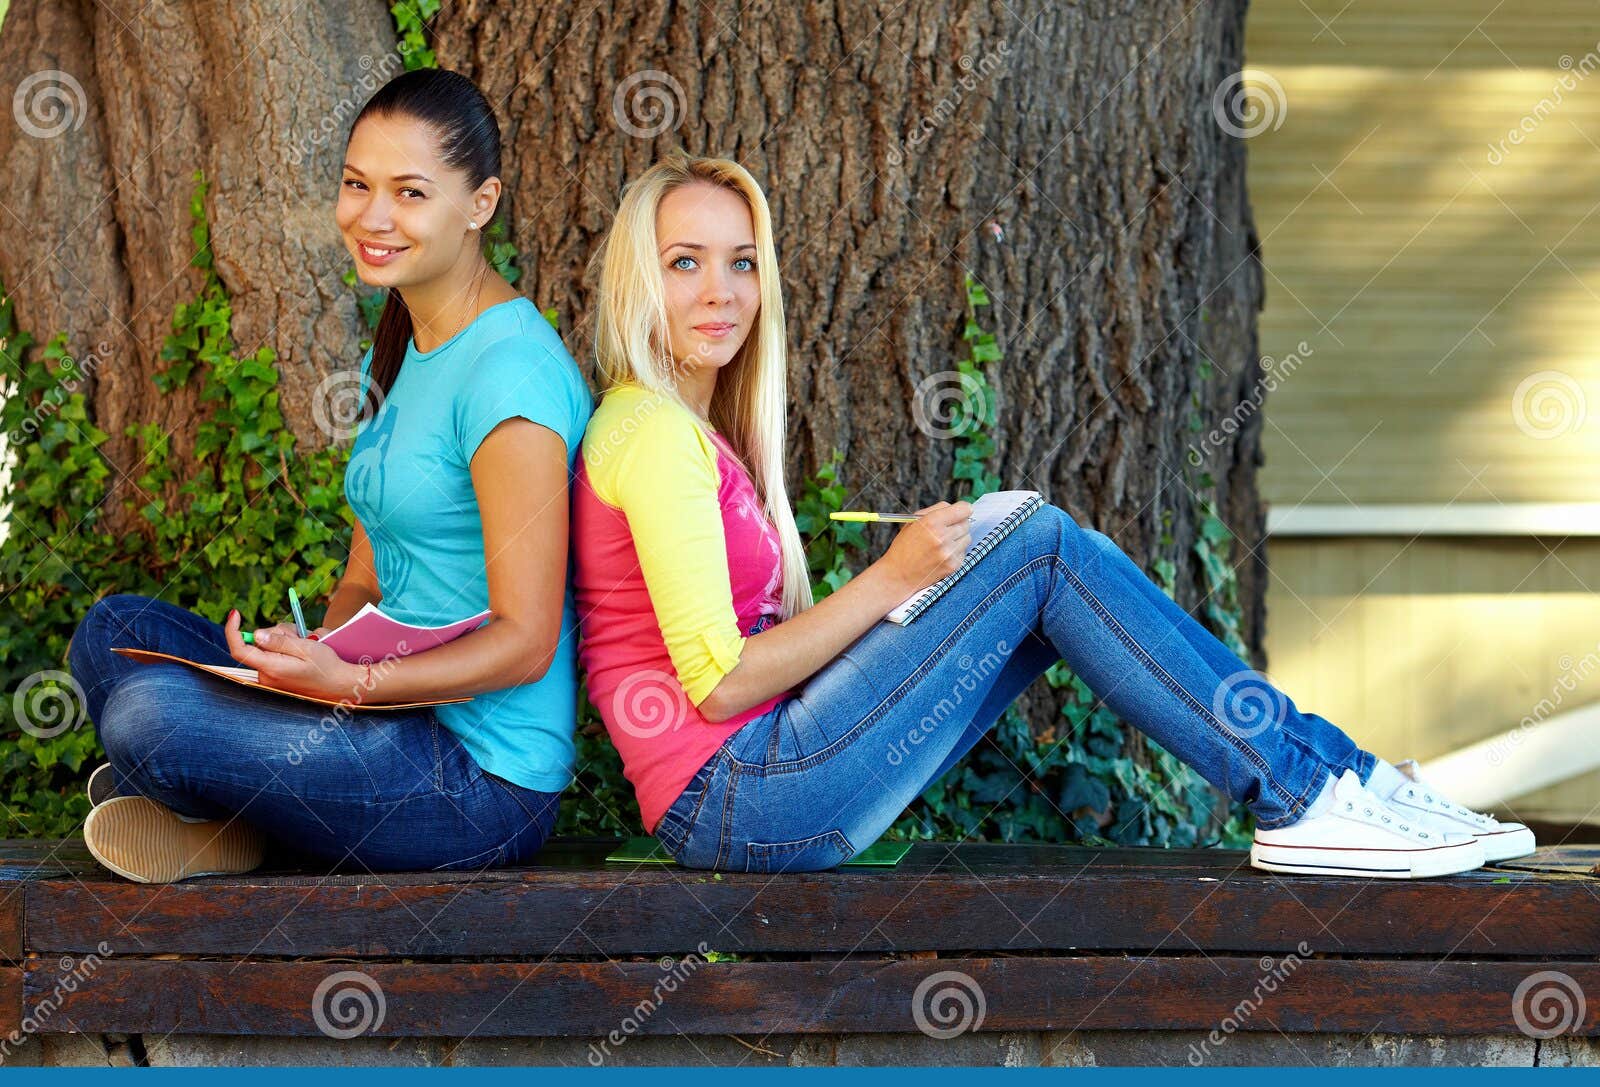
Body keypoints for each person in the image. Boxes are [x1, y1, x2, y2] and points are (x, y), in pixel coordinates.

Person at [571, 152, 1535, 879]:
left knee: (1030, 556)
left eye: (741, 262)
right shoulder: (651, 433)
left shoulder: (694, 433)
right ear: (637, 280)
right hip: (741, 797)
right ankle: (1308, 791)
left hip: (763, 783)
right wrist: (895, 579)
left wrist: (939, 578)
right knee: (1039, 551)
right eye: (685, 262)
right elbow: (722, 687)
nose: (721, 290)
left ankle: (1342, 779)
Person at [67, 68, 592, 884]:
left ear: (480, 204)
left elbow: (526, 644)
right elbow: (363, 579)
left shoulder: (508, 376)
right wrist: (312, 658)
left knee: (147, 715)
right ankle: (229, 818)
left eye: (410, 193)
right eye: (357, 184)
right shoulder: (407, 342)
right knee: (113, 632)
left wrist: (352, 684)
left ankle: (220, 816)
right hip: (376, 711)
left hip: (477, 781)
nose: (372, 217)